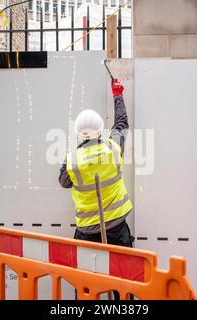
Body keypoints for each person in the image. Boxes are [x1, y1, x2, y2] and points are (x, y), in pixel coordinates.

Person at [59, 78, 134, 248]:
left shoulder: (72, 159)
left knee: (85, 274)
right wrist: (118, 95)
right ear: (101, 131)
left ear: (79, 134)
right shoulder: (113, 148)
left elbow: (64, 182)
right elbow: (121, 124)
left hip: (86, 231)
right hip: (117, 227)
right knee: (121, 273)